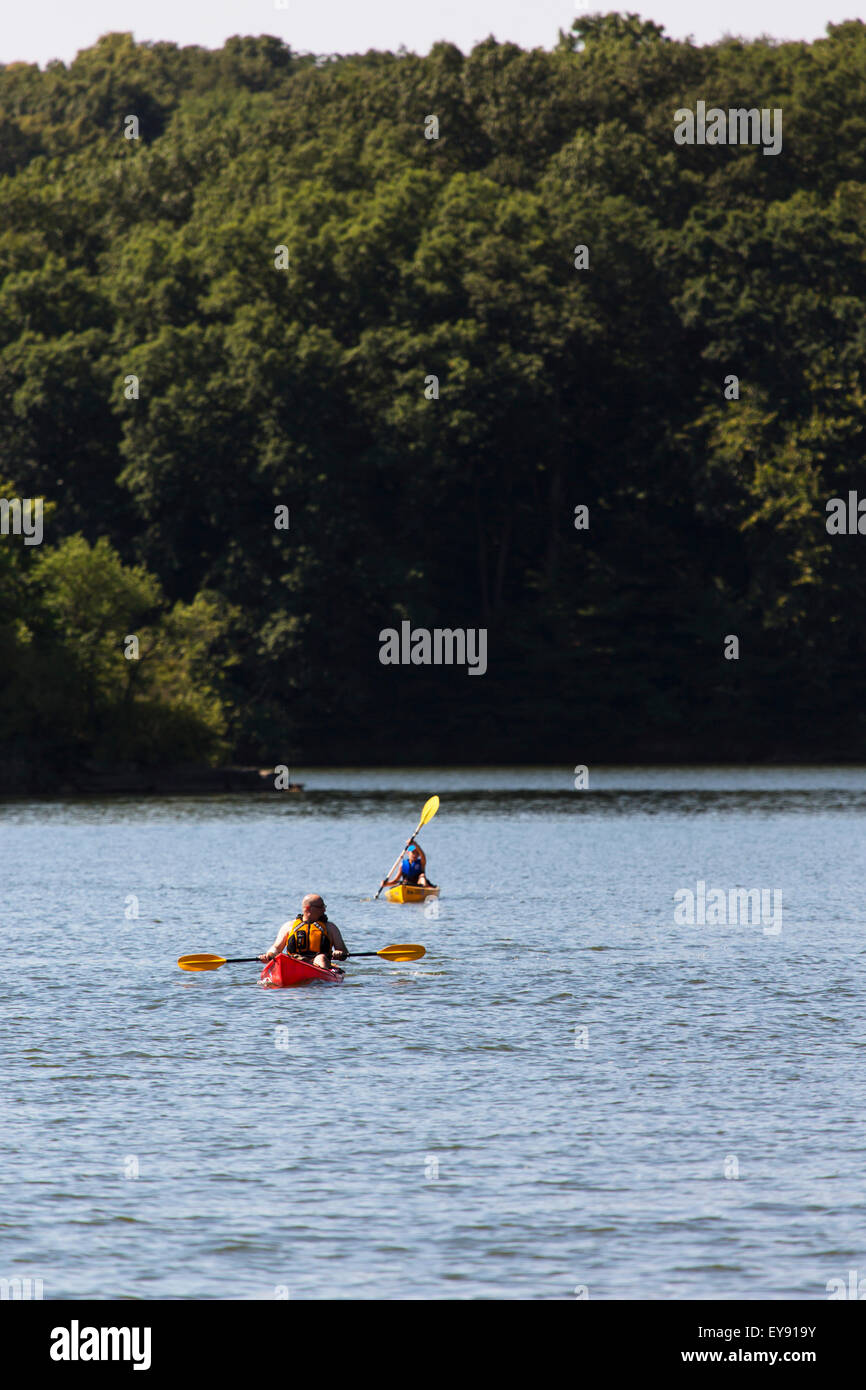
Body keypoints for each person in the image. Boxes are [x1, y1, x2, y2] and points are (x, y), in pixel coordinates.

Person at [260, 893, 348, 971]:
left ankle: (320, 980)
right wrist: (269, 954)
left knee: (320, 958)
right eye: (321, 907)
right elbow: (276, 948)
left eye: (324, 907)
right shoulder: (288, 926)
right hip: (295, 961)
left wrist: (339, 953)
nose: (324, 910)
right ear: (307, 908)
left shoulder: (330, 927)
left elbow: (343, 950)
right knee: (284, 959)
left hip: (319, 962)